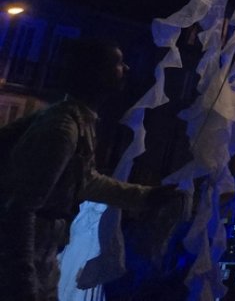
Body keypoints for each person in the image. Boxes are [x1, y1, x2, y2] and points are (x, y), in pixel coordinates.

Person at [0, 38, 185, 301]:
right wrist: (24, 283)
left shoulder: (78, 122)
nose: (127, 69)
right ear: (95, 73)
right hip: (20, 265)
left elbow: (86, 181)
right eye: (118, 63)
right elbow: (21, 208)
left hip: (42, 259)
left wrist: (145, 196)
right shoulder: (62, 130)